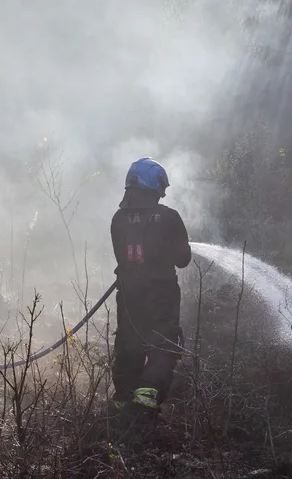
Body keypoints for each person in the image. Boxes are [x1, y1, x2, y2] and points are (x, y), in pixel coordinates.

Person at [110, 157, 191, 414]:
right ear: (153, 186)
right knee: (163, 342)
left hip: (128, 293)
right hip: (161, 295)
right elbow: (183, 260)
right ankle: (146, 400)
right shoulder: (169, 217)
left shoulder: (118, 219)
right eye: (161, 188)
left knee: (128, 340)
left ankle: (124, 397)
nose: (163, 193)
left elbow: (122, 258)